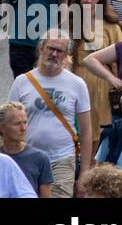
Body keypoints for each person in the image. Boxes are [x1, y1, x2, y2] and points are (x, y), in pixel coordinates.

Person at [6, 31, 92, 198]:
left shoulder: (77, 84)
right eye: (51, 48)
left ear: (66, 55)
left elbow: (87, 131)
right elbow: (6, 122)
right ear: (41, 49)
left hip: (62, 160)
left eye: (60, 51)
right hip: (26, 158)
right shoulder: (22, 81)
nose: (54, 54)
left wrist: (84, 174)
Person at [0, 102, 52, 197]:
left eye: (25, 122)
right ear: (2, 127)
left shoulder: (40, 158)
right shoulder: (2, 160)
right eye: (17, 124)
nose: (23, 128)